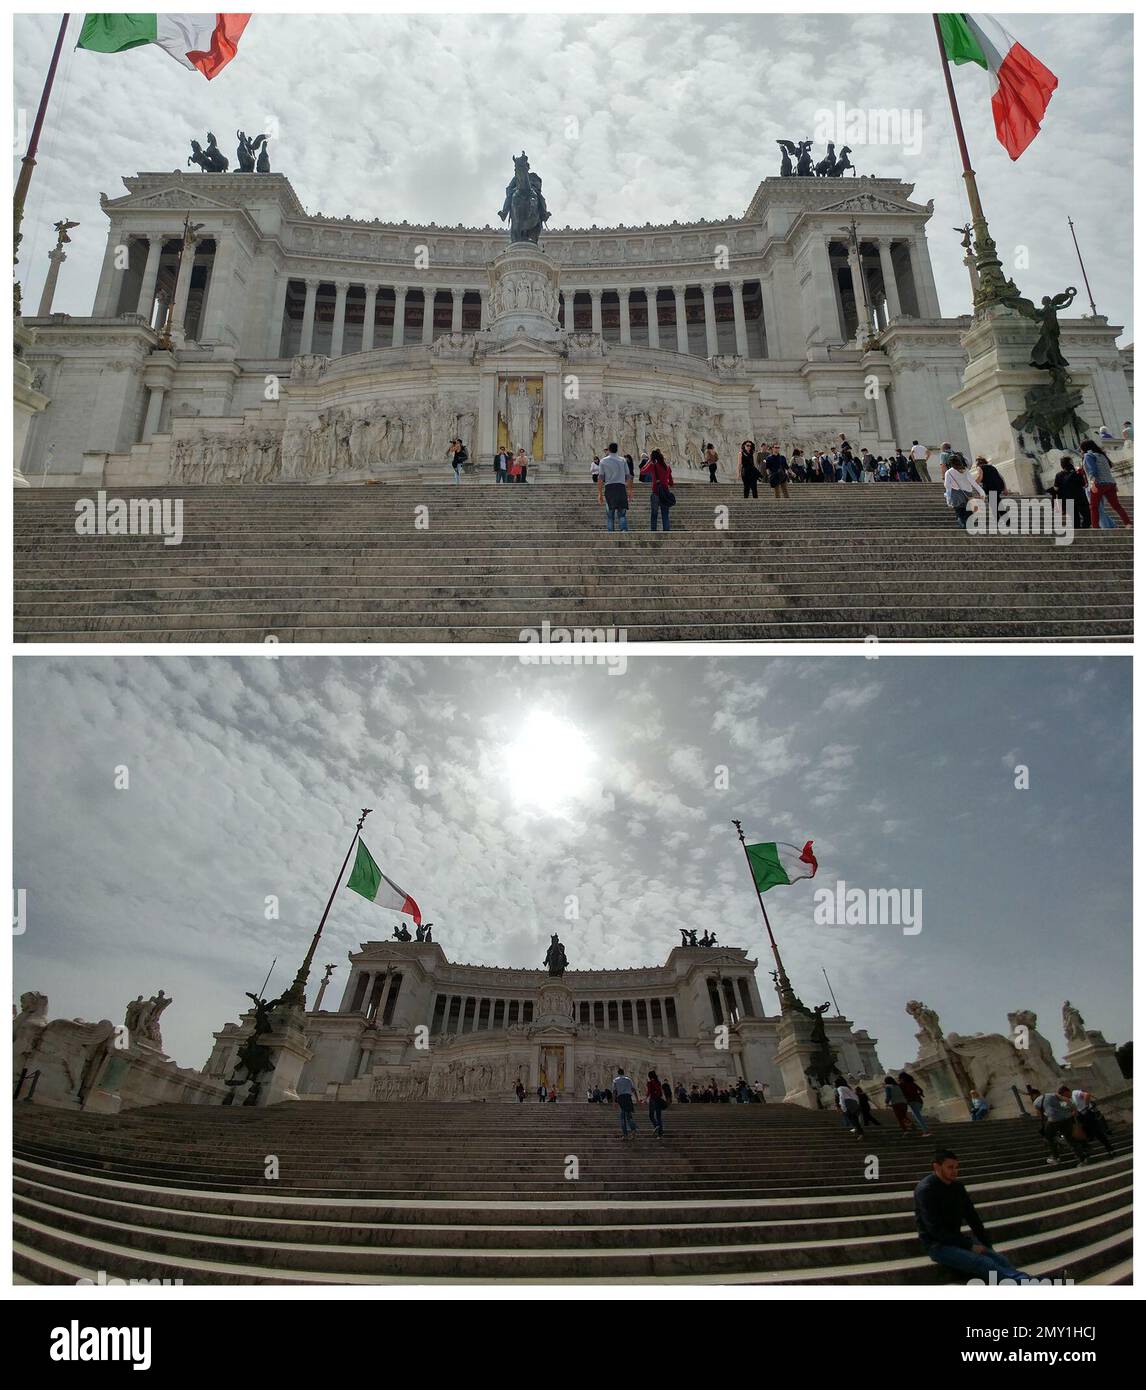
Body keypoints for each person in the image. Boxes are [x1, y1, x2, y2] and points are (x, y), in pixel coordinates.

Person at [915, 1150, 1034, 1283]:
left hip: (957, 1239)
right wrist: (969, 1246)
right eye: (950, 1167)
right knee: (984, 1263)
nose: (954, 1171)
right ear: (937, 1167)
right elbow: (934, 1229)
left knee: (999, 1259)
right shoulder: (926, 1190)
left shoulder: (957, 1187)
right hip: (937, 1245)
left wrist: (986, 1245)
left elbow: (972, 1217)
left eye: (956, 1167)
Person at [1081, 438, 1132, 528]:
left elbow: (1092, 470)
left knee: (1094, 507)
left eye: (1081, 448)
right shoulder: (1102, 455)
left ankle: (1096, 527)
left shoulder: (1088, 455)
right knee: (1116, 506)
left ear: (1084, 448)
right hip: (1110, 483)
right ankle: (1127, 523)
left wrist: (1092, 483)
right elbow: (1108, 469)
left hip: (1099, 483)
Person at [1038, 1085, 1089, 1165]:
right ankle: (1082, 1158)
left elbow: (1041, 1116)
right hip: (1066, 1119)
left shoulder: (1036, 1102)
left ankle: (1056, 1157)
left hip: (1054, 1120)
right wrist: (1074, 1109)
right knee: (1070, 1139)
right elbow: (1067, 1100)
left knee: (1048, 1137)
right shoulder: (1053, 1095)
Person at [596, 442, 632, 532]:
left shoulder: (603, 461)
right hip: (621, 488)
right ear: (617, 449)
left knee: (610, 515)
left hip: (610, 488)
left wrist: (600, 493)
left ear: (609, 449)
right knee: (622, 514)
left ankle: (611, 534)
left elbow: (600, 478)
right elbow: (628, 476)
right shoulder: (623, 460)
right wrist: (630, 490)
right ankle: (623, 532)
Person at [943, 453, 985, 529]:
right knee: (968, 512)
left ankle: (964, 527)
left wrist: (948, 499)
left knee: (960, 513)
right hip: (968, 494)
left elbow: (947, 487)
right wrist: (982, 492)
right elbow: (973, 483)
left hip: (956, 495)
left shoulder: (948, 472)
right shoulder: (965, 470)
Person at [1071, 1088, 1115, 1158]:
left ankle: (1110, 1149)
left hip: (1088, 1114)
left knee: (1097, 1133)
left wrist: (1086, 1106)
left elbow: (1087, 1095)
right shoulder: (1071, 1099)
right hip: (1082, 1117)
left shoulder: (1074, 1093)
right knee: (1085, 1134)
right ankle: (1086, 1150)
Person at [642, 448, 675, 532]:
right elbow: (671, 483)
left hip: (656, 493)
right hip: (665, 493)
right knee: (665, 515)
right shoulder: (667, 467)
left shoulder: (652, 465)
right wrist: (665, 481)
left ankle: (653, 532)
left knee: (654, 514)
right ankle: (666, 532)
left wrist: (649, 461)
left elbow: (642, 471)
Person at [1052, 456, 1090, 529]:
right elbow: (1084, 484)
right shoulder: (1076, 473)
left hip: (1067, 500)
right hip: (1080, 498)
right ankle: (1085, 528)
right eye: (1071, 461)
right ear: (1070, 463)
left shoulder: (1058, 475)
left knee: (1074, 521)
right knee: (1087, 516)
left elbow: (1056, 488)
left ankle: (1080, 534)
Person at [898, 1071, 932, 1136]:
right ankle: (926, 1129)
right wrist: (919, 1094)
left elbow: (901, 1094)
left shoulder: (902, 1085)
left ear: (901, 1078)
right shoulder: (912, 1083)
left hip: (912, 1102)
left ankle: (926, 1131)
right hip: (919, 1101)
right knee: (917, 1115)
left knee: (918, 1117)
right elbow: (921, 1090)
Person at [613, 1067, 639, 1139]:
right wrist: (637, 1099)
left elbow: (614, 1091)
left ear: (618, 1073)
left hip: (621, 1098)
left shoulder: (615, 1080)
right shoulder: (628, 1079)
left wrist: (614, 1102)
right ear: (623, 1073)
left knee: (622, 1117)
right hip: (628, 1097)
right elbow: (633, 1089)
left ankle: (625, 1134)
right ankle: (633, 1130)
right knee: (629, 1116)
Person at [646, 1069, 665, 1138]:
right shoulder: (658, 1082)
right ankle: (660, 1133)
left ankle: (656, 1125)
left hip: (653, 1100)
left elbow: (649, 1092)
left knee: (651, 1115)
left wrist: (645, 1099)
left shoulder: (650, 1083)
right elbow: (660, 1091)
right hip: (658, 1100)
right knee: (659, 1117)